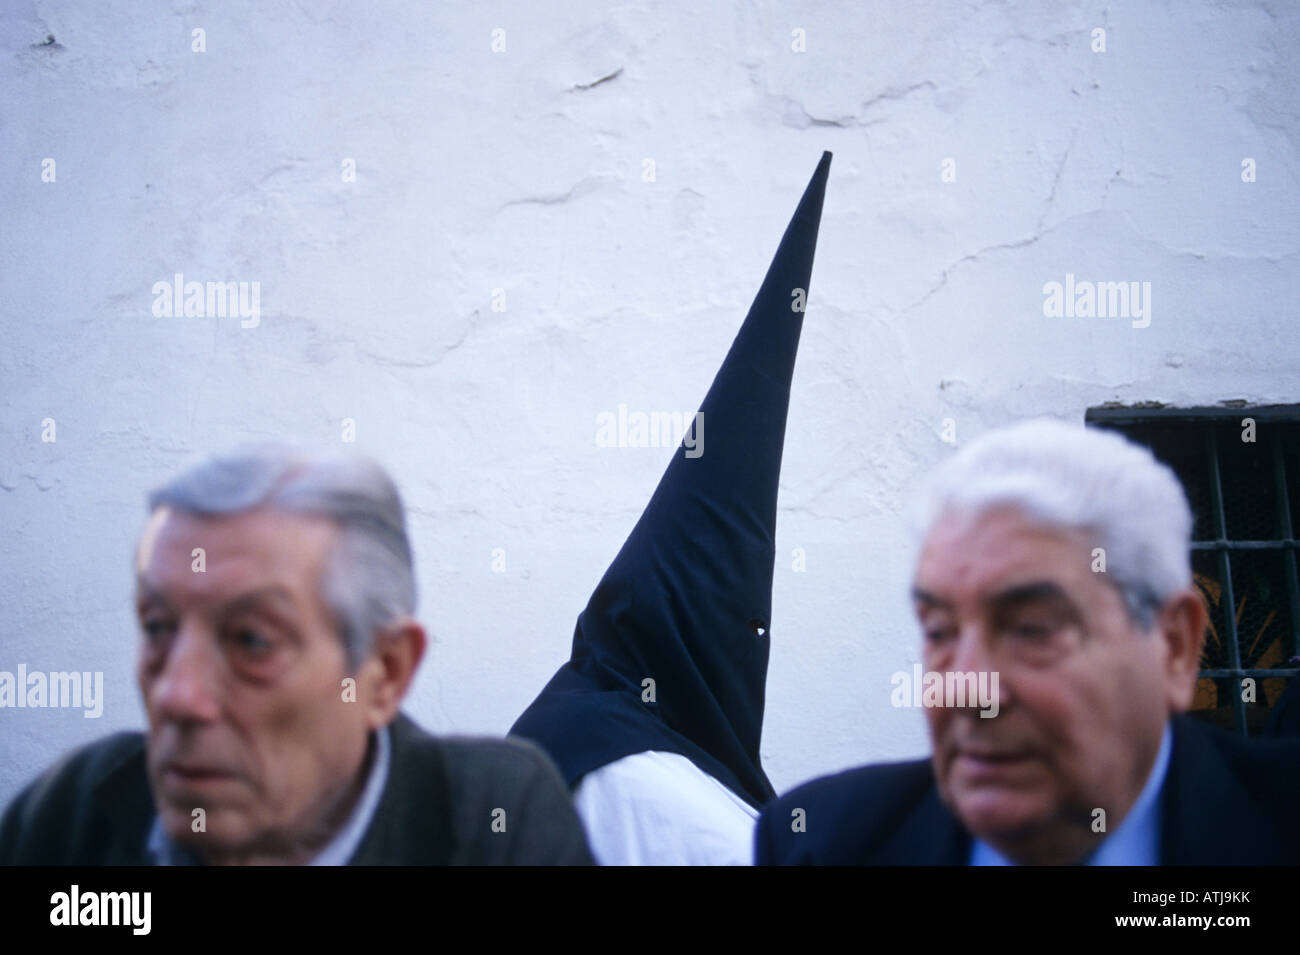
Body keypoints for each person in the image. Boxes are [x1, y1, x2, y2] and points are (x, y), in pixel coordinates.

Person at [0, 446, 592, 865]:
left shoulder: (496, 822)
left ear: (383, 674)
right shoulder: (76, 812)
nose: (177, 695)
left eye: (252, 641)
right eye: (159, 628)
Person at [756, 419, 1300, 865]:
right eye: (939, 632)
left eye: (1032, 629)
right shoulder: (819, 846)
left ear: (1175, 646)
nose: (967, 691)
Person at [510, 152, 832, 864]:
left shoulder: (567, 717)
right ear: (691, 619)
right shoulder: (655, 785)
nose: (750, 647)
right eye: (743, 622)